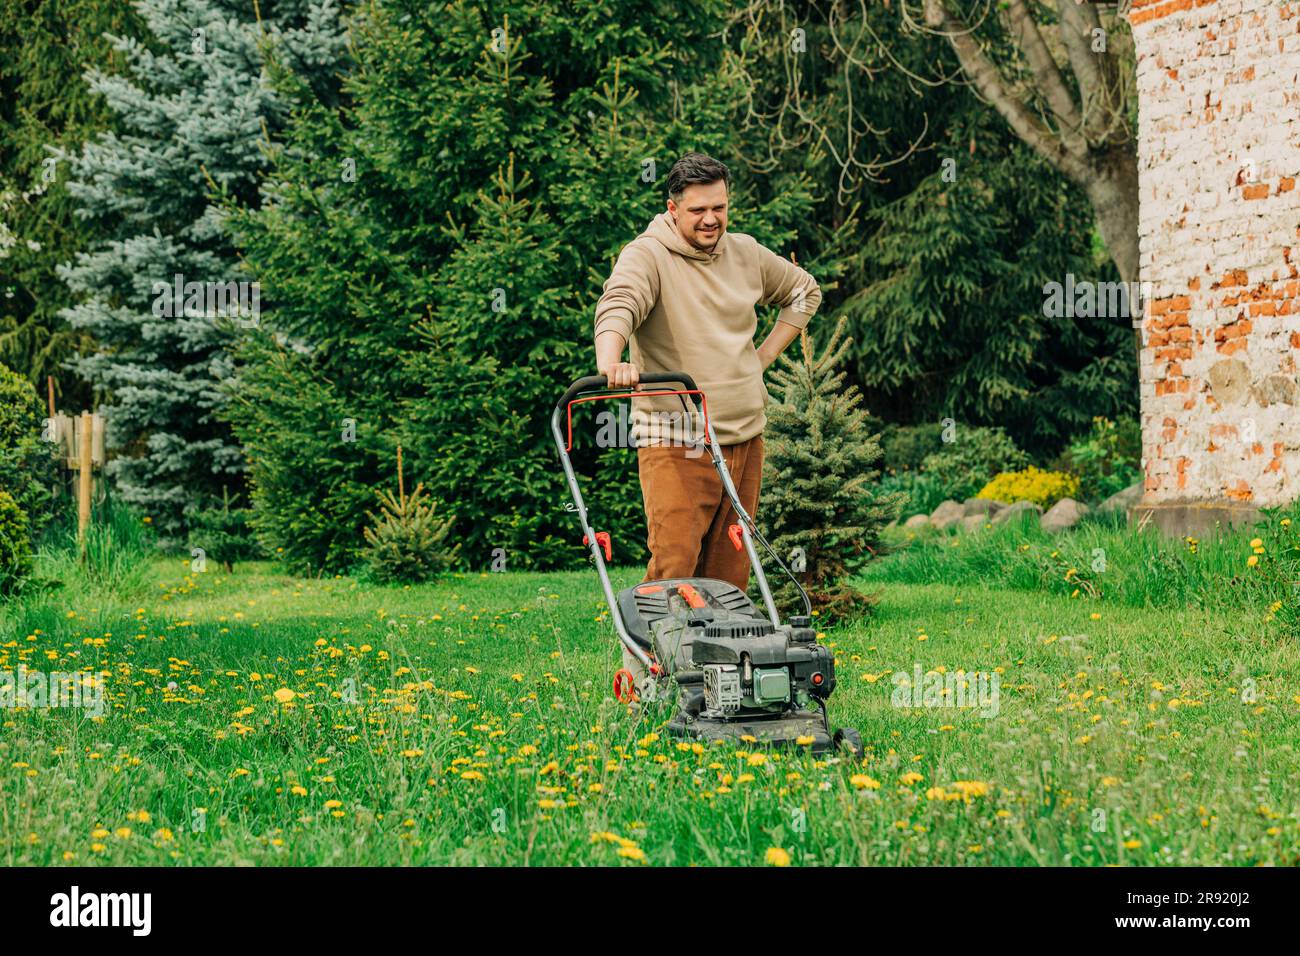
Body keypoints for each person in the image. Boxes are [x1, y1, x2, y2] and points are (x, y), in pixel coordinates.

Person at [592, 152, 822, 689]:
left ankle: (721, 687)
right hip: (677, 439)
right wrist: (610, 360)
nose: (711, 220)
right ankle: (643, 686)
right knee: (673, 569)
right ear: (672, 209)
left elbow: (803, 292)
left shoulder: (744, 253)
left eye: (719, 207)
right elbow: (618, 303)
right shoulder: (648, 255)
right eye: (698, 210)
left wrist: (760, 359)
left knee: (730, 577)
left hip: (744, 437)